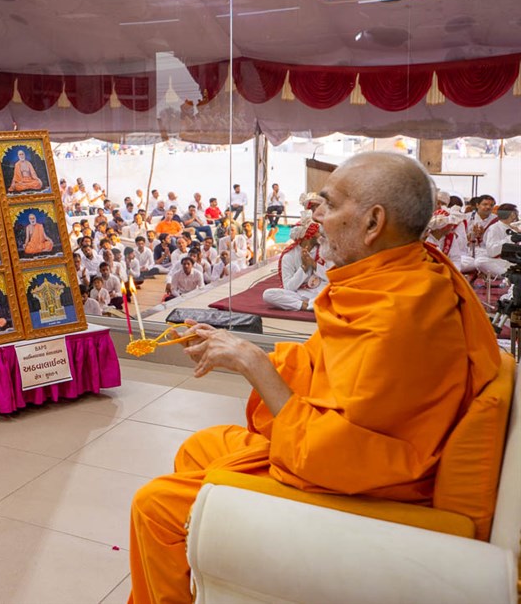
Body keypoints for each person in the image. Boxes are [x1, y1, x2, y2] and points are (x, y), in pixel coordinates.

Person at [128, 152, 501, 604]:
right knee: (198, 447)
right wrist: (238, 350)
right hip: (345, 453)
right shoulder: (402, 273)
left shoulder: (400, 314)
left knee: (155, 507)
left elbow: (334, 453)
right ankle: (212, 569)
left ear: (372, 223)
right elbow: (331, 369)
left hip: (376, 483)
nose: (315, 215)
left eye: (328, 204)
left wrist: (255, 364)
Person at [263, 221, 328, 311]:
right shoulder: (289, 256)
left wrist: (313, 264)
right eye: (317, 232)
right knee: (268, 294)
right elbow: (289, 288)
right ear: (309, 235)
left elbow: (332, 277)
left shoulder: (324, 250)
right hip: (300, 294)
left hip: (322, 290)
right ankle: (305, 305)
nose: (320, 235)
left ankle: (313, 304)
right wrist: (304, 268)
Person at [474, 203, 518, 278]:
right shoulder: (495, 228)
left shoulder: (515, 227)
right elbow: (492, 252)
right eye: (515, 213)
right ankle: (509, 276)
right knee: (480, 262)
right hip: (501, 261)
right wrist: (509, 239)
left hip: (515, 260)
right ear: (512, 215)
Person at [425, 208, 475, 273]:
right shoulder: (425, 238)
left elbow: (456, 258)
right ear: (440, 228)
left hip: (448, 267)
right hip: (430, 268)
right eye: (449, 225)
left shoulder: (451, 237)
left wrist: (453, 272)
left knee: (472, 262)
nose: (452, 227)